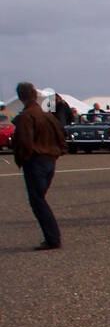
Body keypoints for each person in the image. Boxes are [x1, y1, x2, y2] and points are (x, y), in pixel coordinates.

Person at [12, 80, 67, 250]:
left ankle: (53, 238)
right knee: (39, 199)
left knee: (38, 201)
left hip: (36, 162)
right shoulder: (47, 115)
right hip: (49, 160)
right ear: (35, 95)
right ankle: (52, 237)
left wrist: (23, 159)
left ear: (21, 97)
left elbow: (23, 143)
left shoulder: (26, 117)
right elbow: (62, 139)